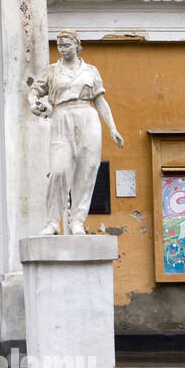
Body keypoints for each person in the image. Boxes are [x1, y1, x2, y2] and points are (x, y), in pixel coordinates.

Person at [28, 30, 124, 235]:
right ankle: (53, 222)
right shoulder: (51, 71)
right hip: (61, 116)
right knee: (58, 170)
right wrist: (33, 103)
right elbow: (34, 91)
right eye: (60, 45)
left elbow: (100, 100)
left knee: (87, 169)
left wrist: (113, 128)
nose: (62, 49)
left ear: (77, 45)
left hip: (87, 117)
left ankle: (77, 220)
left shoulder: (90, 70)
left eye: (66, 45)